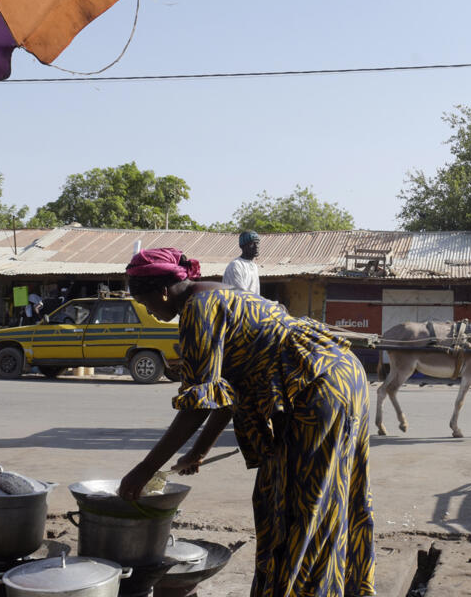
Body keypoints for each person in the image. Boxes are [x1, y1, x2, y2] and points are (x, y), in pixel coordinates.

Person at [118, 248, 375, 597]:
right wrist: (199, 451)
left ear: (162, 291)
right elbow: (227, 389)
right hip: (338, 376)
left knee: (303, 502)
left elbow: (197, 406)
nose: (148, 311)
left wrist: (145, 469)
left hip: (316, 387)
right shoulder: (217, 294)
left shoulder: (198, 309)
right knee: (289, 493)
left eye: (144, 302)